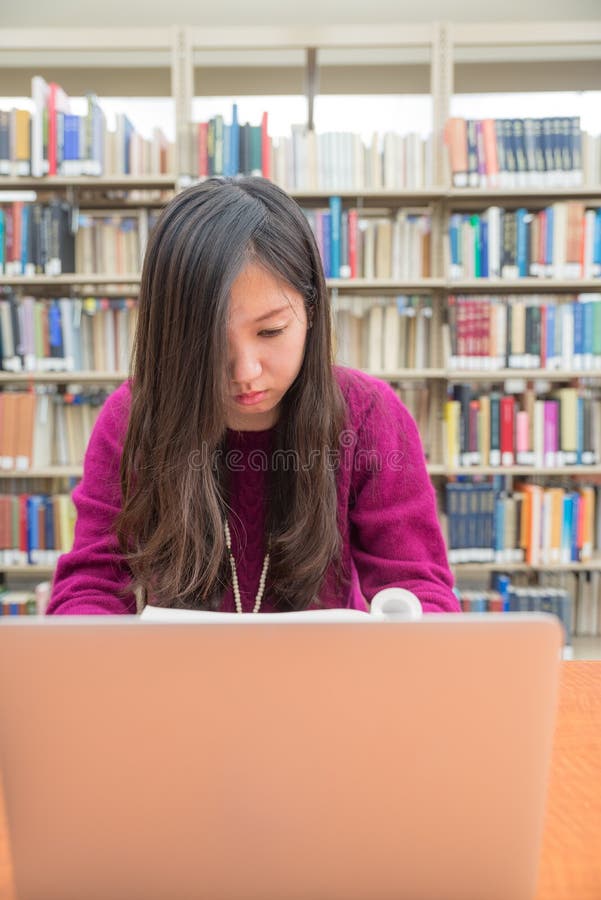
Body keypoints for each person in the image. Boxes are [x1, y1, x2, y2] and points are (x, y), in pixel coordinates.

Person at [47, 176, 459, 616]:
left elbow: (418, 587)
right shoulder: (133, 417)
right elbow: (89, 588)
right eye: (208, 342)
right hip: (178, 681)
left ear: (312, 310)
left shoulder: (369, 416)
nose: (245, 372)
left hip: (328, 680)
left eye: (271, 331)